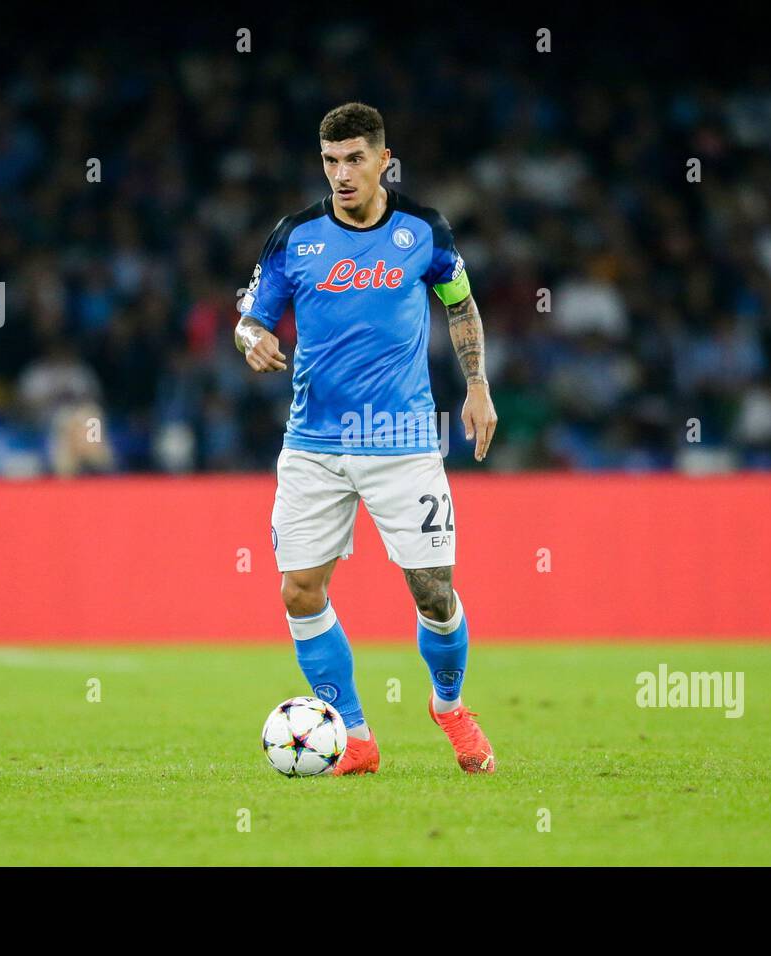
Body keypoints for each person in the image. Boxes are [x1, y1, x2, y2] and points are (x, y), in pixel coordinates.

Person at [234, 103, 498, 775]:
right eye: (330, 161)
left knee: (433, 591)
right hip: (314, 444)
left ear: (384, 159)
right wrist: (253, 337)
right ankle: (355, 735)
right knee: (299, 590)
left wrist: (477, 386)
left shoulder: (424, 230)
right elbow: (250, 318)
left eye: (354, 159)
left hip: (403, 440)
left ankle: (449, 706)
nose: (341, 174)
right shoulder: (294, 237)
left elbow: (460, 303)